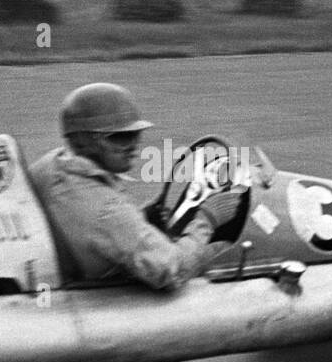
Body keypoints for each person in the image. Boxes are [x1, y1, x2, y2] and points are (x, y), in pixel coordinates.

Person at [28, 83, 246, 292]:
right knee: (223, 250)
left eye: (135, 134)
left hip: (71, 273)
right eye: (121, 137)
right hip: (96, 297)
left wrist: (141, 217)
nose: (134, 145)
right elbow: (172, 271)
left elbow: (96, 227)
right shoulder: (107, 211)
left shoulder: (52, 166)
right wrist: (207, 220)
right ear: (84, 141)